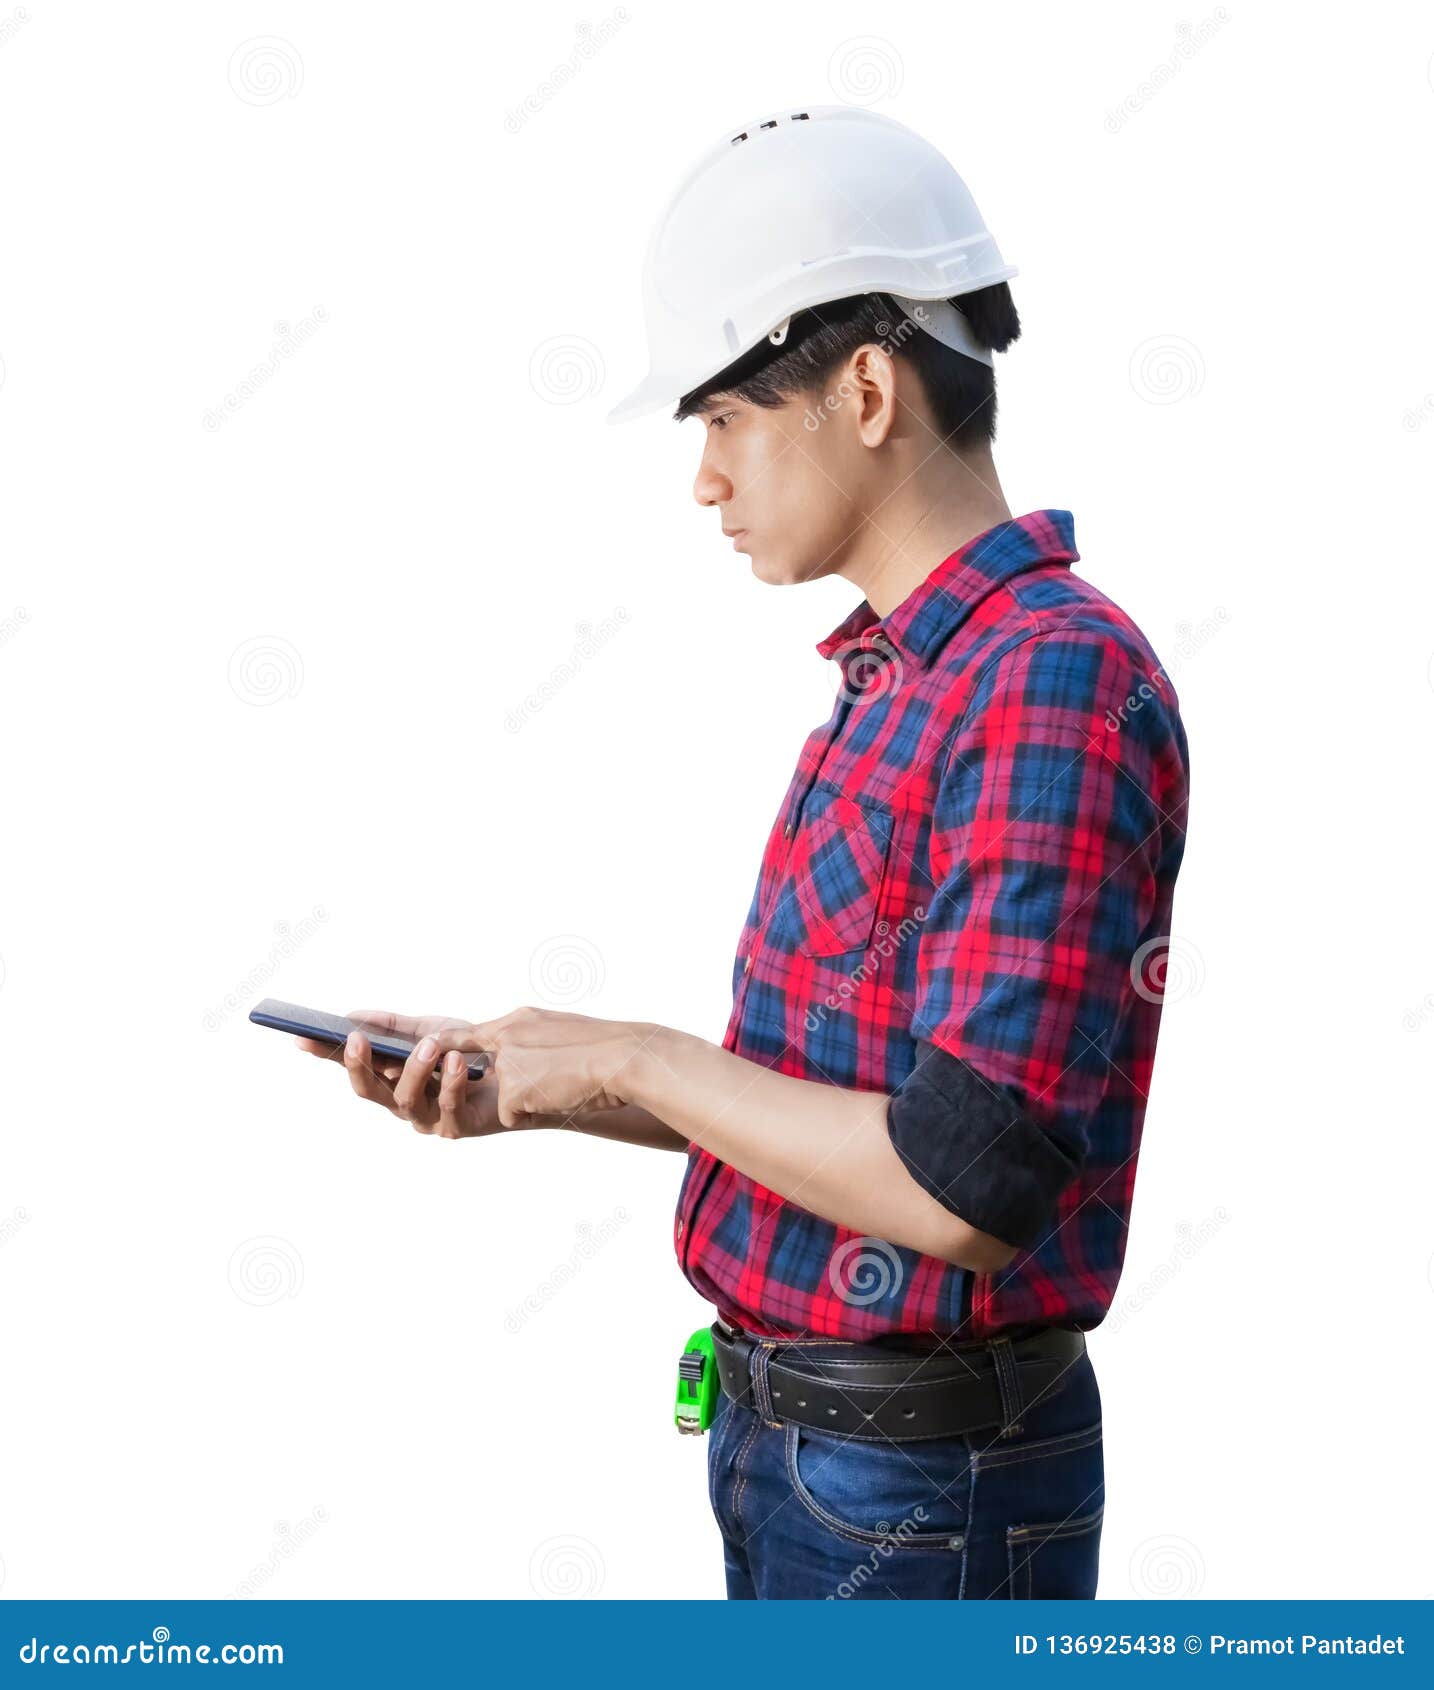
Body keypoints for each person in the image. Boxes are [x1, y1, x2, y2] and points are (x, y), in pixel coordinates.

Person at [294, 107, 1190, 1600]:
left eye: (720, 418)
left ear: (860, 387)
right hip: (809, 1456)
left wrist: (641, 1057)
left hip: (919, 1483)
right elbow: (852, 1111)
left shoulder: (1049, 682)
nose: (703, 478)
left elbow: (960, 1183)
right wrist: (553, 1073)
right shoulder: (904, 678)